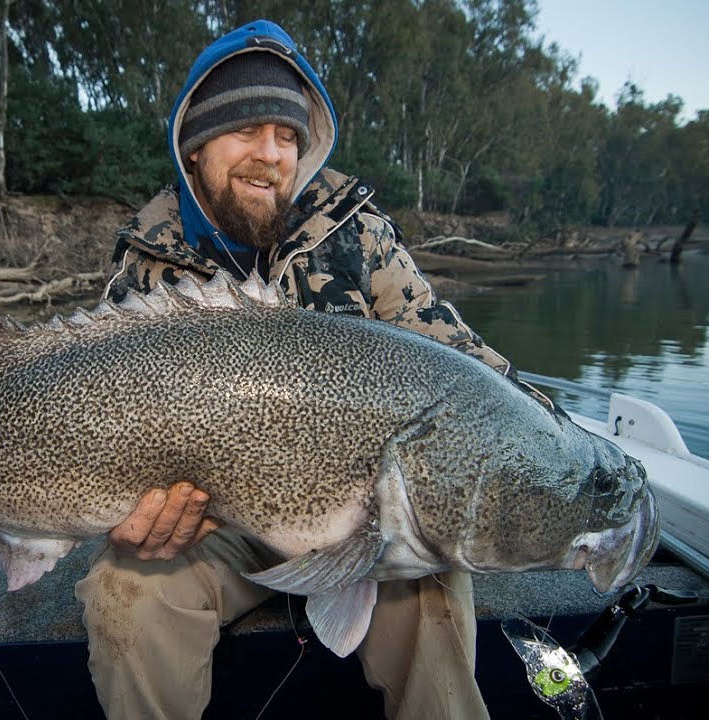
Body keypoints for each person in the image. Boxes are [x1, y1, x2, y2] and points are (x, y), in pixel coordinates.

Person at [75, 19, 545, 720]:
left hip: (369, 518)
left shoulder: (357, 231)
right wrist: (119, 514)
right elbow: (93, 426)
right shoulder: (148, 262)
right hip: (214, 523)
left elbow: (461, 361)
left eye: (288, 136)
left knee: (433, 586)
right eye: (245, 130)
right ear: (194, 146)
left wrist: (555, 437)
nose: (271, 155)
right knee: (126, 595)